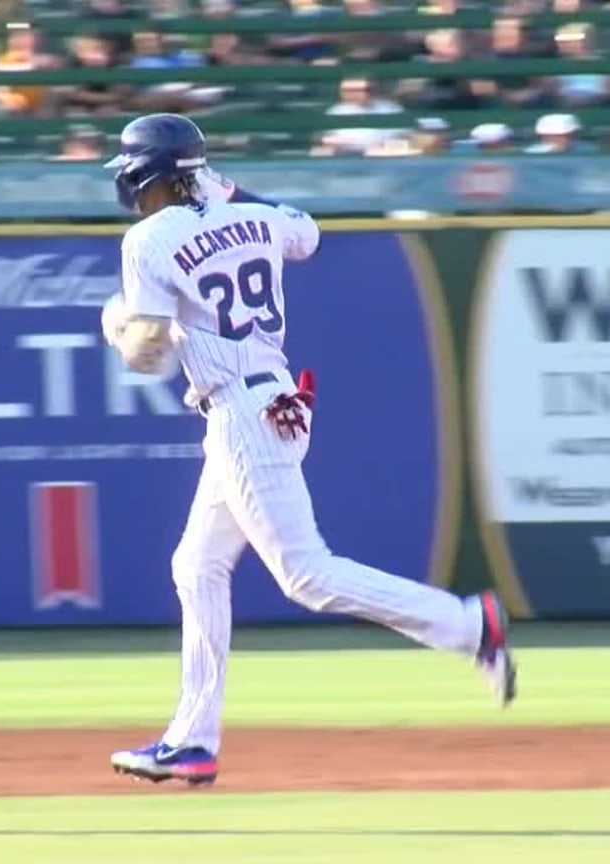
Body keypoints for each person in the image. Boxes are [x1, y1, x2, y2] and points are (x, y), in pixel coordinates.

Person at [97, 115, 517, 786]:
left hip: (242, 409)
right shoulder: (257, 217)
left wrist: (117, 327)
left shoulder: (147, 238)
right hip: (269, 398)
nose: (132, 189)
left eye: (138, 176)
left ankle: (468, 624)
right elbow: (309, 235)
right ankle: (192, 739)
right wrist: (230, 197)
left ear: (155, 179)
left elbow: (147, 355)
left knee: (307, 575)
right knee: (195, 565)